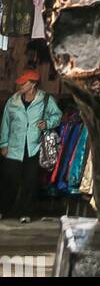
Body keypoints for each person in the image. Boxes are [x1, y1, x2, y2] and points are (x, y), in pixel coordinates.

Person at [0, 70, 61, 221]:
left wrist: (47, 123)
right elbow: (5, 123)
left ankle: (25, 212)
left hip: (34, 148)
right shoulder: (12, 101)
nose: (20, 85)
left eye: (24, 83)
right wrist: (4, 143)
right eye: (20, 82)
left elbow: (57, 116)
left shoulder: (45, 99)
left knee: (30, 182)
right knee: (9, 180)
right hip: (14, 147)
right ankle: (3, 209)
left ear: (33, 84)